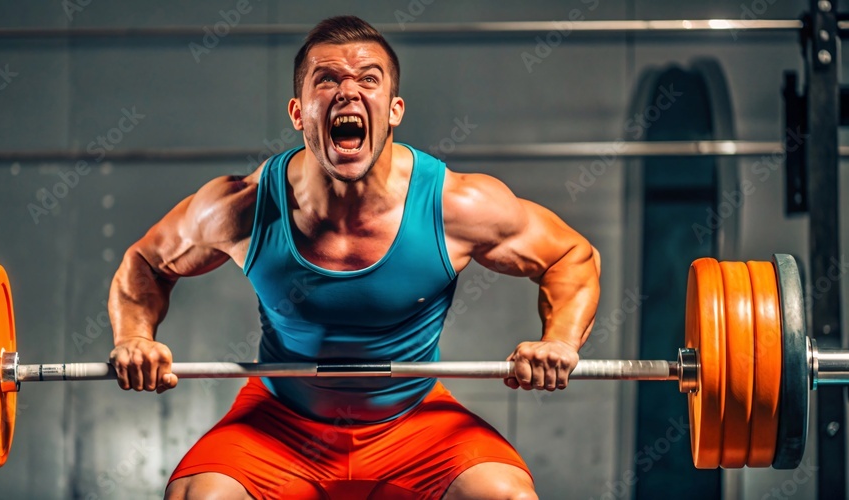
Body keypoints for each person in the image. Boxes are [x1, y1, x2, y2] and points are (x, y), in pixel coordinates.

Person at [108, 15, 600, 500]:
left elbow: (571, 257)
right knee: (200, 497)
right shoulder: (243, 207)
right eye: (327, 80)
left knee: (506, 497)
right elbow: (146, 264)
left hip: (413, 422)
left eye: (368, 79)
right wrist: (134, 338)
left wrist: (558, 341)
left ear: (393, 109)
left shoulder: (456, 206)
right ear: (299, 113)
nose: (348, 92)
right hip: (279, 426)